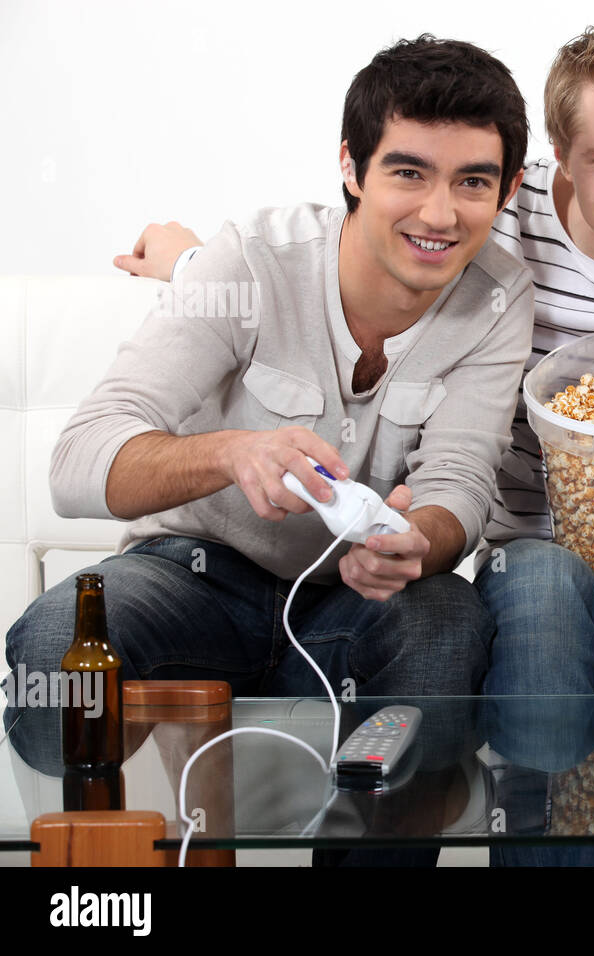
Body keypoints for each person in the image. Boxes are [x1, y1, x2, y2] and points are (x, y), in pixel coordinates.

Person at [115, 20, 594, 867]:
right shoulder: (492, 222)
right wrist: (200, 267)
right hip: (542, 551)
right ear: (555, 157)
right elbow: (355, 242)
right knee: (529, 589)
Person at [6, 35, 533, 767]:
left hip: (356, 603)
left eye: (473, 183)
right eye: (408, 173)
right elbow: (76, 463)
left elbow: (460, 481)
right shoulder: (249, 261)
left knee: (445, 620)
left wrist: (418, 541)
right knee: (57, 653)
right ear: (351, 167)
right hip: (192, 577)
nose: (440, 214)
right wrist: (233, 453)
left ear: (507, 192)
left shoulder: (500, 298)